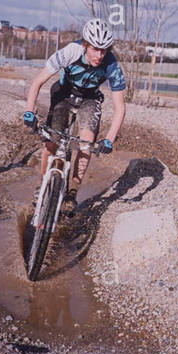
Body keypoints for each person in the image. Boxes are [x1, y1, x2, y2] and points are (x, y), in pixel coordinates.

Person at [21, 17, 127, 213]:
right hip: (63, 93)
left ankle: (72, 192)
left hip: (90, 99)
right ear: (85, 44)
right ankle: (43, 183)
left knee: (86, 143)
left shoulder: (111, 65)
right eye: (95, 48)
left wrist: (109, 140)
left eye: (104, 50)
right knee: (51, 141)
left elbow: (120, 107)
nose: (100, 55)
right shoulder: (71, 51)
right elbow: (37, 82)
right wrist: (29, 111)